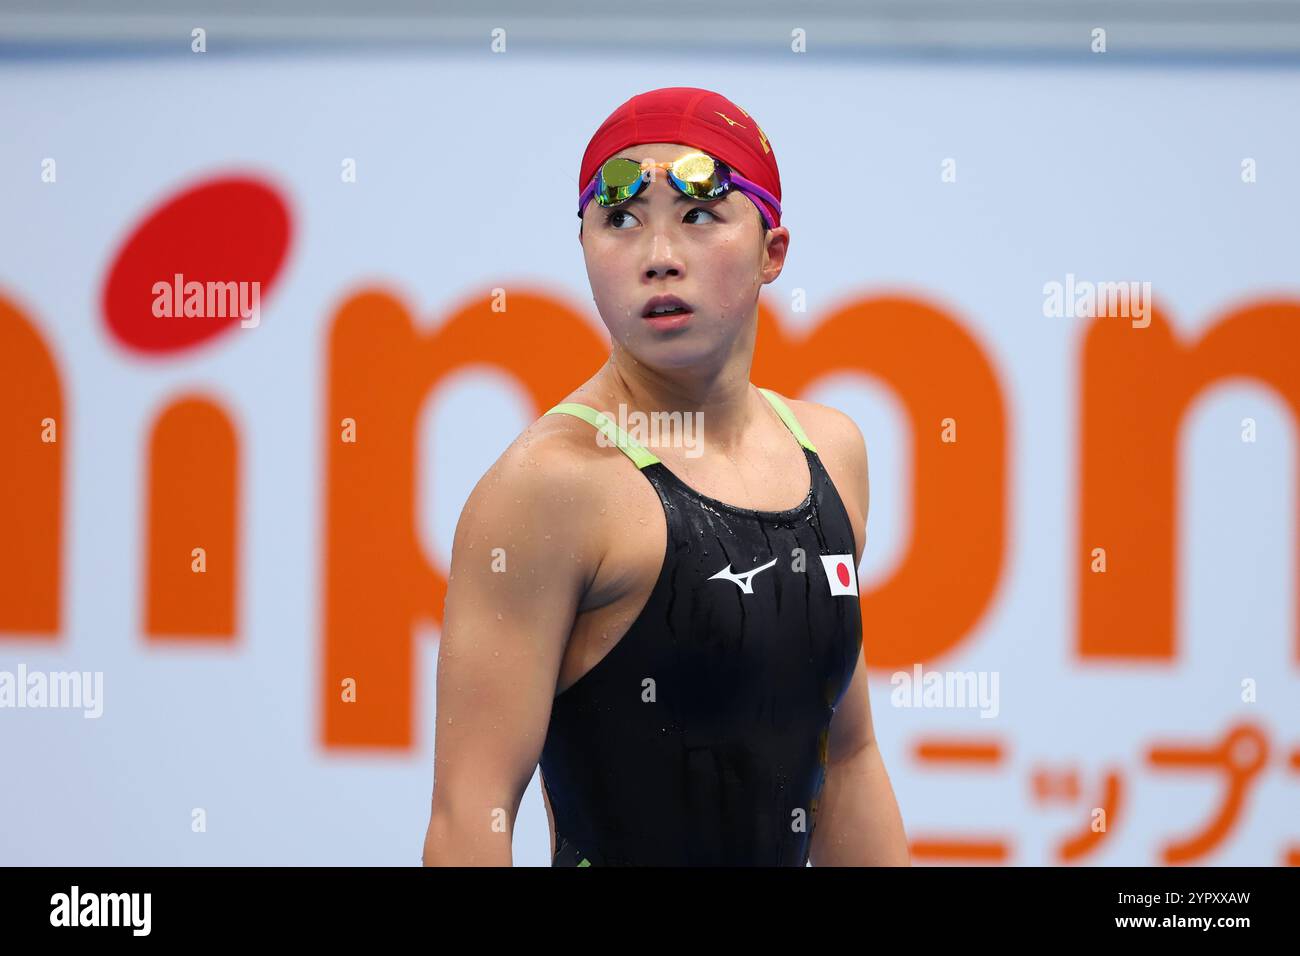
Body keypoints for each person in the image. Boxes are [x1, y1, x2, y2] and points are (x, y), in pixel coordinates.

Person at [422, 87, 909, 866]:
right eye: (620, 219)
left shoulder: (829, 452)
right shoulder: (551, 487)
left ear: (772, 252)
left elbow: (847, 761)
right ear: (583, 246)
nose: (658, 255)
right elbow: (467, 815)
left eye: (698, 215)